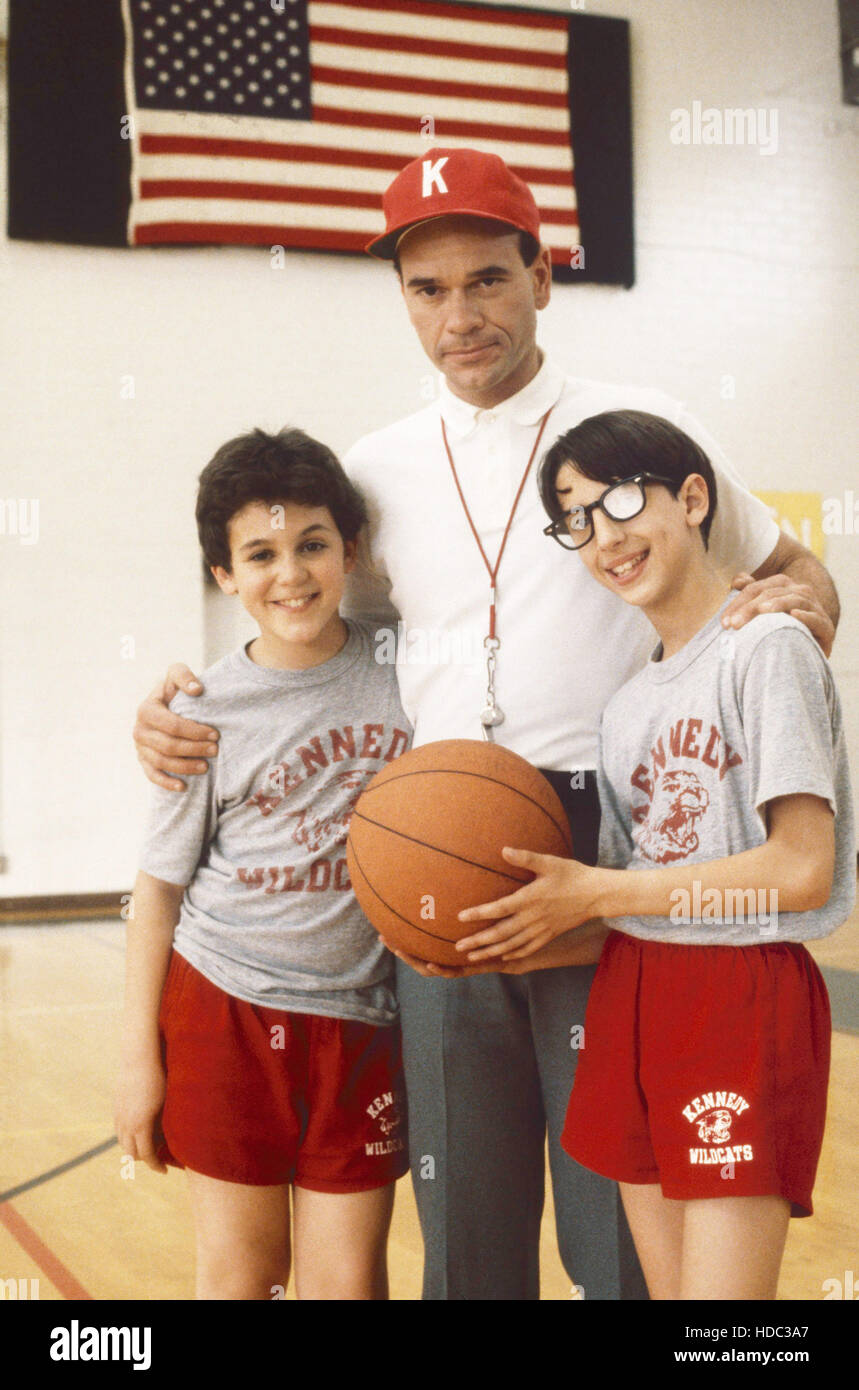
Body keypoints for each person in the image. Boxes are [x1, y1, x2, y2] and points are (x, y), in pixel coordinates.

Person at [132, 149, 840, 1301]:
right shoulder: (374, 469)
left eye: (486, 281)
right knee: (462, 1204)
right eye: (426, 288)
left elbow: (799, 573)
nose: (458, 315)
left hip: (610, 838)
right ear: (402, 297)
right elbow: (310, 638)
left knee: (618, 1203)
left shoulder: (638, 432)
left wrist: (800, 609)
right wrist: (183, 704)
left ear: (543, 276)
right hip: (435, 829)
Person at [456, 409, 854, 1299]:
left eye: (622, 499)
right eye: (577, 519)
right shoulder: (628, 701)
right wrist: (484, 935)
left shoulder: (766, 648)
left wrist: (596, 892)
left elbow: (801, 869)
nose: (604, 536)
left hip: (738, 1000)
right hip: (634, 997)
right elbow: (628, 900)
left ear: (693, 498)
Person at [115, 428, 412, 1300]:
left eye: (312, 545)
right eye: (260, 554)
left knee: (347, 1280)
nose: (291, 574)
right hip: (225, 1011)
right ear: (224, 575)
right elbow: (156, 889)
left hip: (361, 1017)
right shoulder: (205, 708)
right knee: (242, 1271)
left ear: (348, 550)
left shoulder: (405, 662)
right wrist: (139, 1058)